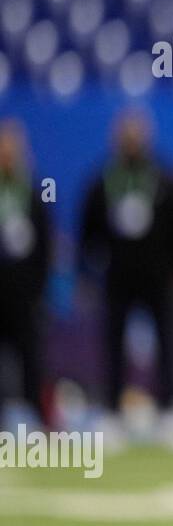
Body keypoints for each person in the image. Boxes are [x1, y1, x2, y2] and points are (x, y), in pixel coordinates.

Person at [79, 109, 173, 428]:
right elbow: (89, 231)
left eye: (136, 133)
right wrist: (87, 272)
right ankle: (113, 410)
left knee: (168, 342)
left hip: (159, 276)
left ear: (146, 136)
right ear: (116, 138)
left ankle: (168, 412)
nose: (131, 140)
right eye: (125, 134)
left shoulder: (164, 178)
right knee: (114, 343)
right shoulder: (102, 180)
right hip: (118, 277)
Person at [0, 119, 53, 426]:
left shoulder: (33, 192)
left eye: (11, 150)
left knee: (30, 358)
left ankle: (33, 418)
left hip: (24, 294)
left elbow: (45, 246)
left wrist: (38, 289)